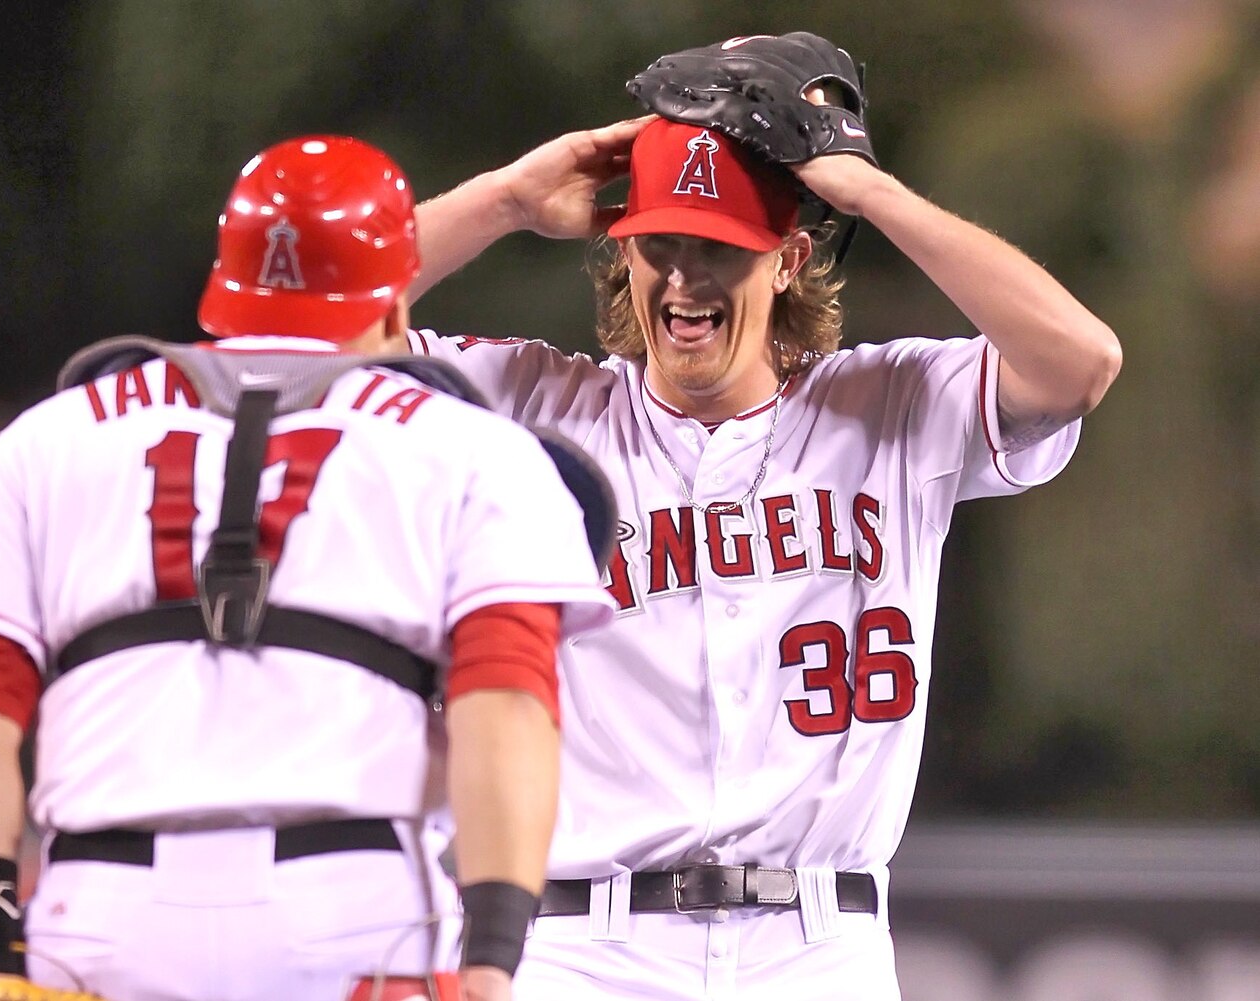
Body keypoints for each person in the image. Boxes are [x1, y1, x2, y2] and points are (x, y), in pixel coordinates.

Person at [400, 50, 1123, 1001]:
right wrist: (502, 200)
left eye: (720, 247)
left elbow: (1081, 361)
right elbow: (304, 338)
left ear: (787, 260)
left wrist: (869, 192)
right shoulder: (537, 405)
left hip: (818, 945)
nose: (684, 280)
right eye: (660, 243)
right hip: (583, 946)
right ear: (623, 248)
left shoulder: (890, 406)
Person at [0, 135, 615, 1001]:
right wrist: (494, 955)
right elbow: (506, 707)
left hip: (100, 914)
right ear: (396, 304)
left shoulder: (49, 438)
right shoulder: (474, 448)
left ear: (222, 294)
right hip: (348, 912)